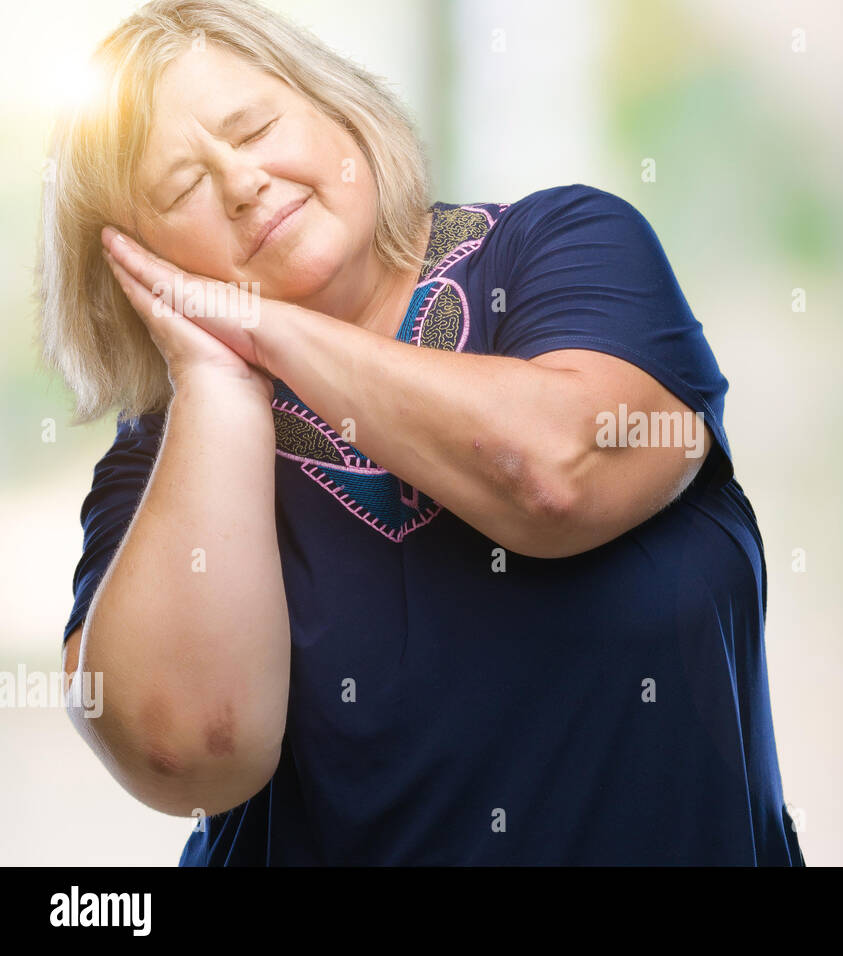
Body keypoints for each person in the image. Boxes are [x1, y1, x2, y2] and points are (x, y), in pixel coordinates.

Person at [40, 0, 804, 865]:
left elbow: (554, 474)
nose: (243, 182)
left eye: (253, 127)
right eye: (182, 187)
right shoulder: (160, 460)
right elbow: (190, 753)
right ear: (142, 267)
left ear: (336, 109)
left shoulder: (563, 247)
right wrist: (219, 377)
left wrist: (274, 331)